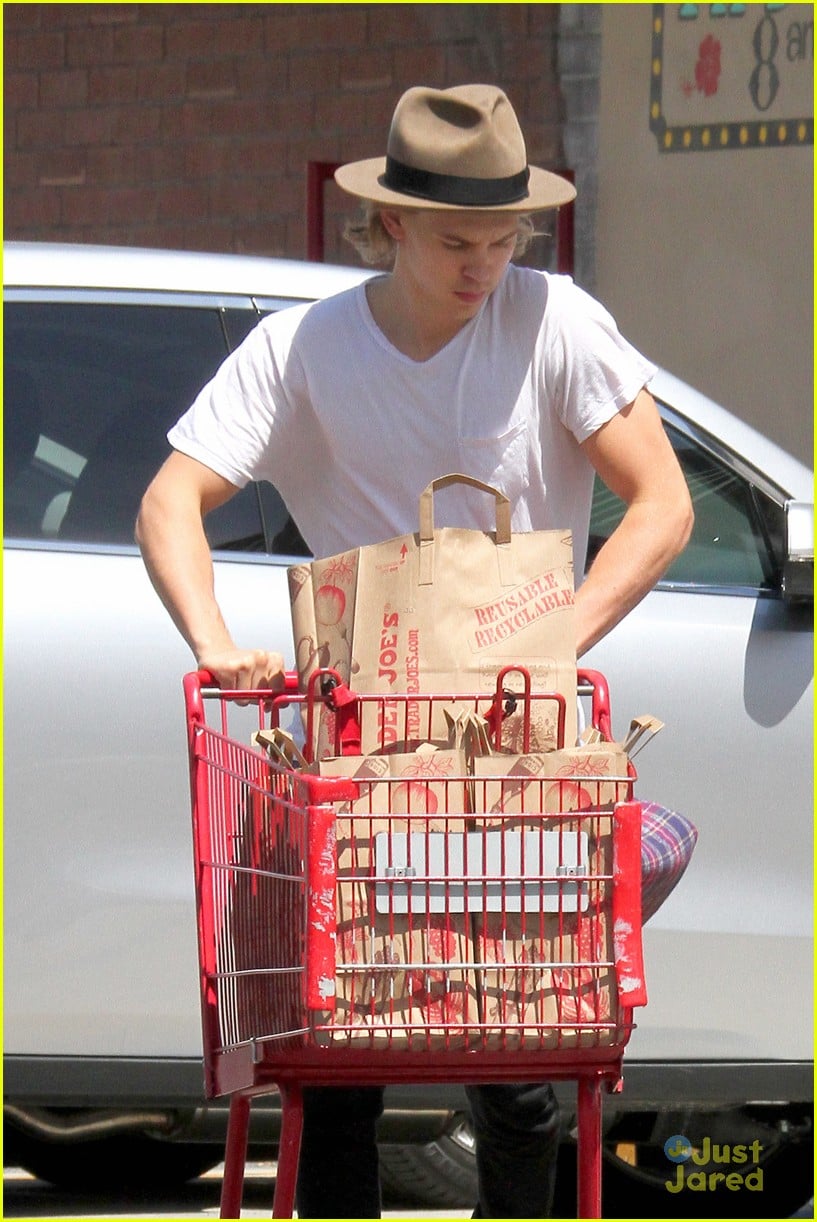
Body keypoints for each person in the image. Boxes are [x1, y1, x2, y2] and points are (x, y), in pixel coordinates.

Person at [137, 83, 694, 1218]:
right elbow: (169, 500)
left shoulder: (556, 323)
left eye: (502, 238)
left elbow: (664, 506)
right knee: (335, 1054)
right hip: (358, 757)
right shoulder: (303, 348)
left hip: (518, 747)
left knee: (526, 1065)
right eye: (455, 240)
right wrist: (217, 643)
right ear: (389, 223)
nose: (483, 263)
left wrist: (546, 650)